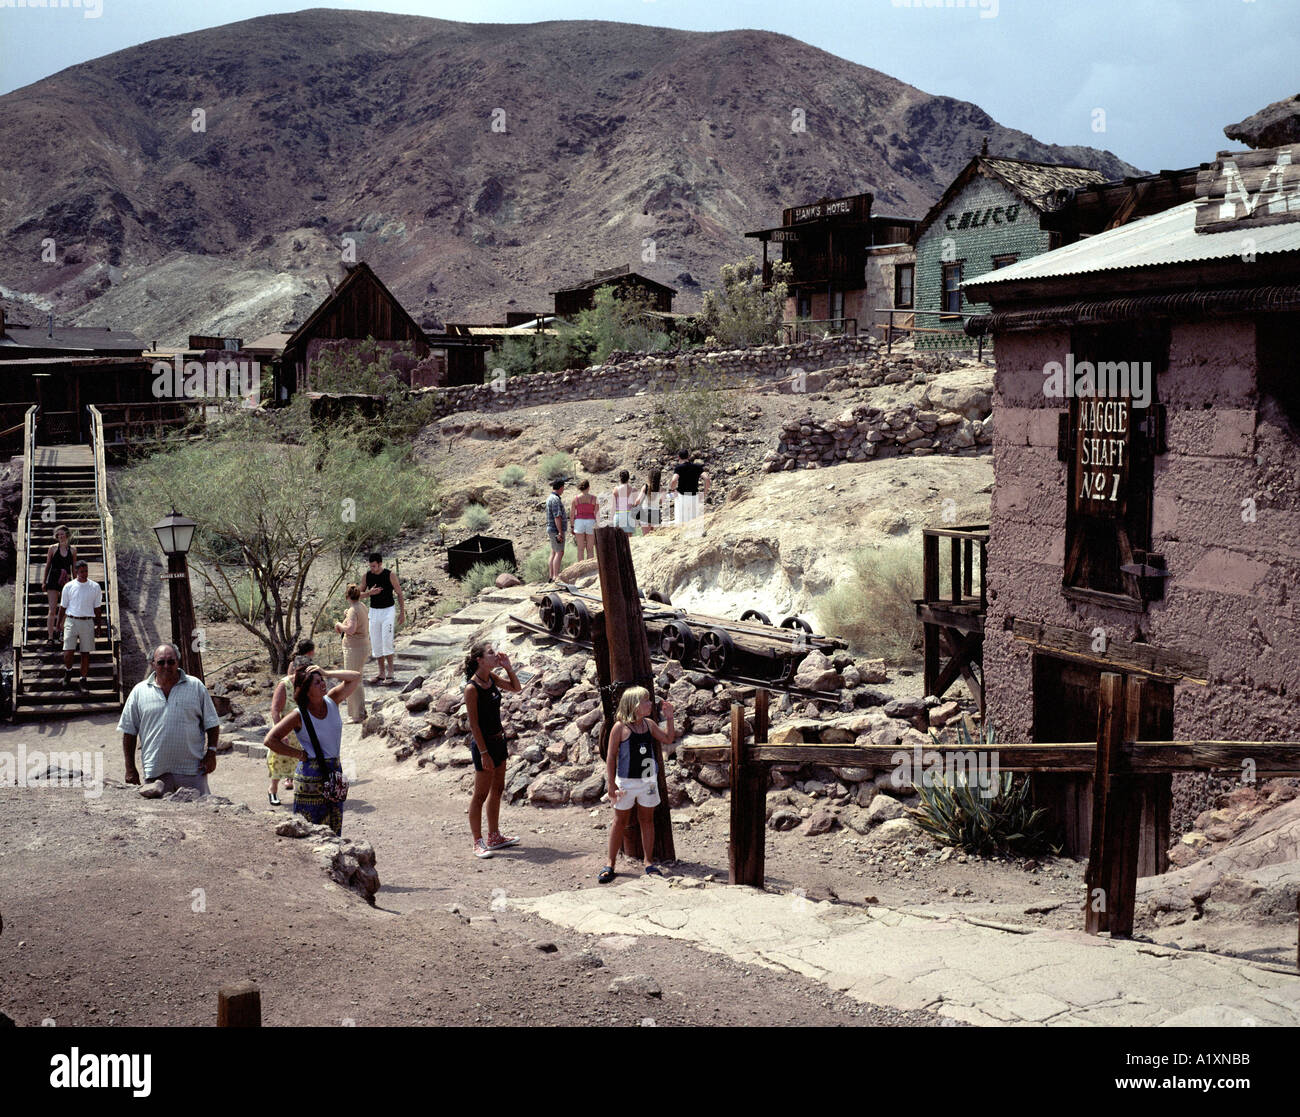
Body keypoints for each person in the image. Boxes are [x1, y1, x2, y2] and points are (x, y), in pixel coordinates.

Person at [262, 664, 361, 837]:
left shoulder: (332, 700)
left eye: (322, 680)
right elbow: (270, 740)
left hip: (334, 770)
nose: (323, 684)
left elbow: (356, 676)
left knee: (334, 825)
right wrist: (298, 754)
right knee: (310, 830)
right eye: (316, 682)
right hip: (310, 776)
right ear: (306, 690)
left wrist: (327, 672)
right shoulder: (298, 714)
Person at [119, 644, 221, 799]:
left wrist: (211, 753)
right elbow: (129, 732)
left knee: (200, 818)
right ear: (152, 664)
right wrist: (130, 768)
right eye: (161, 662)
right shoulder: (139, 692)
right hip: (155, 772)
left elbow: (212, 723)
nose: (166, 666)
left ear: (178, 662)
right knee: (162, 821)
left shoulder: (195, 687)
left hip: (192, 771)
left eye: (171, 662)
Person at [598, 687, 675, 883]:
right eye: (646, 701)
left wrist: (670, 717)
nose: (650, 704)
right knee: (619, 821)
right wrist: (611, 784)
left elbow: (668, 739)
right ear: (634, 705)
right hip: (626, 781)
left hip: (648, 781)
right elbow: (611, 756)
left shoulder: (648, 724)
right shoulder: (620, 727)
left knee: (647, 820)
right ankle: (610, 863)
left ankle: (648, 862)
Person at [463, 641, 522, 858]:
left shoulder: (492, 679)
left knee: (498, 789)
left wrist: (508, 667)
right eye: (490, 653)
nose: (495, 655)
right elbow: (474, 724)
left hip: (499, 741)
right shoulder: (472, 688)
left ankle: (494, 836)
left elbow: (516, 688)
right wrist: (484, 753)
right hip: (484, 746)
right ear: (479, 659)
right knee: (480, 794)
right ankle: (477, 841)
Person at [56, 559, 105, 691]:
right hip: (71, 620)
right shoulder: (69, 586)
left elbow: (98, 608)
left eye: (86, 571)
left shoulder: (95, 587)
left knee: (85, 653)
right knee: (68, 651)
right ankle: (68, 671)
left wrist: (99, 626)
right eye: (81, 571)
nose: (84, 573)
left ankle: (83, 680)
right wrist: (58, 623)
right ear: (76, 572)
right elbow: (63, 606)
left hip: (88, 621)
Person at [360, 552, 404, 685]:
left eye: (374, 566)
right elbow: (358, 595)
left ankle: (390, 672)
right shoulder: (366, 576)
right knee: (376, 641)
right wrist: (369, 593)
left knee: (387, 640)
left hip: (388, 611)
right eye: (371, 566)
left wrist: (402, 613)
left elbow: (399, 593)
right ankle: (381, 673)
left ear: (380, 564)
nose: (372, 569)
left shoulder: (390, 575)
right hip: (374, 612)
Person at [334, 585, 370, 724]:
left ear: (347, 596)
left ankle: (357, 714)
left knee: (352, 680)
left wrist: (339, 624)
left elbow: (350, 629)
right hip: (362, 646)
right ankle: (360, 711)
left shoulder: (353, 610)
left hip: (354, 648)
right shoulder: (361, 606)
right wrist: (347, 615)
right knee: (357, 678)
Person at [41, 524, 76, 646]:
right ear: (56, 536)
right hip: (53, 579)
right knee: (52, 609)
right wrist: (44, 581)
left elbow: (74, 568)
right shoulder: (52, 548)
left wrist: (77, 584)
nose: (61, 536)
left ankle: (61, 632)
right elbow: (48, 565)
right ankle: (50, 637)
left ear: (67, 535)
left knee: (66, 609)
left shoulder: (72, 550)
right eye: (58, 534)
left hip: (67, 580)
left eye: (63, 534)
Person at [670, 450, 711, 526]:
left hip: (682, 497)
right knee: (693, 521)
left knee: (681, 521)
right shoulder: (697, 466)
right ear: (688, 457)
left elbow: (674, 480)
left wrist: (673, 489)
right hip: (694, 497)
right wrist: (704, 493)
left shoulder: (679, 468)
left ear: (678, 457)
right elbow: (707, 479)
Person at [570, 479, 599, 563]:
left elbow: (572, 514)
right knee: (590, 548)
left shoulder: (575, 499)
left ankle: (580, 568)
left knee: (580, 548)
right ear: (588, 487)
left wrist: (572, 526)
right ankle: (589, 568)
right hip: (591, 522)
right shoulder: (594, 498)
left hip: (579, 522)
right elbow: (597, 514)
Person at [545, 479, 568, 581]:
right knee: (559, 552)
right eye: (563, 488)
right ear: (560, 487)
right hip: (555, 529)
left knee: (554, 552)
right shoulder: (555, 499)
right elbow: (557, 516)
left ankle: (551, 576)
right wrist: (560, 532)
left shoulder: (550, 498)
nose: (563, 490)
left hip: (551, 528)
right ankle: (555, 576)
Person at [611, 470, 642, 535]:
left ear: (620, 478)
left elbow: (613, 506)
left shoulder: (616, 490)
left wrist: (611, 518)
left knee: (618, 539)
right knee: (629, 541)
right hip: (629, 515)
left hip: (619, 514)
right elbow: (636, 505)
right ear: (628, 478)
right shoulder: (633, 490)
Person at [635, 468, 663, 535]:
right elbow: (661, 501)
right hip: (656, 513)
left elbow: (638, 501)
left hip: (645, 513)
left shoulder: (646, 487)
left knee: (646, 536)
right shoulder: (660, 488)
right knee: (654, 537)